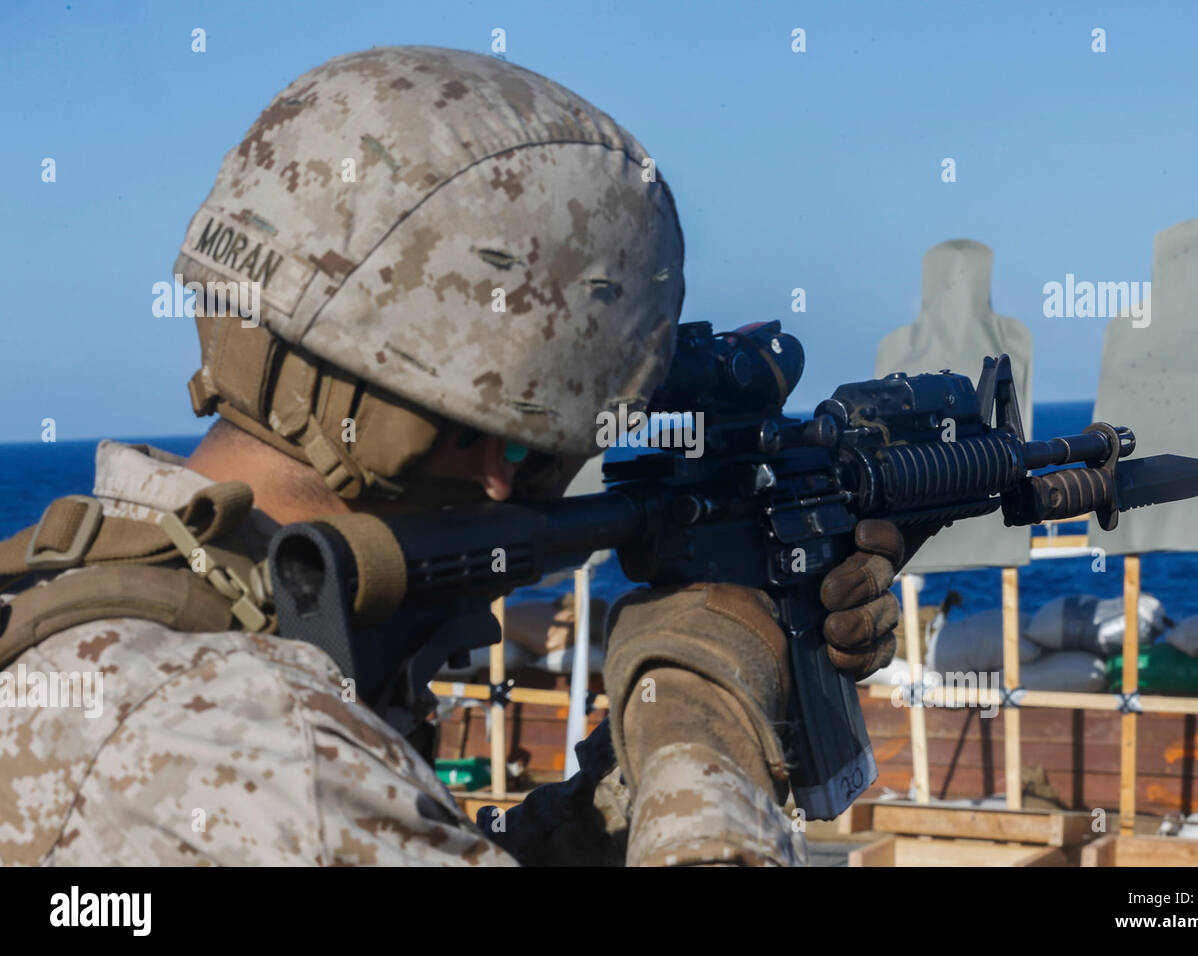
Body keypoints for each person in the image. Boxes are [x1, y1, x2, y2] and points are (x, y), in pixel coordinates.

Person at [0, 46, 915, 866]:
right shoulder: (271, 760)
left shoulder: (84, 604)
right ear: (496, 455)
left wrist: (644, 750)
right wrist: (703, 712)